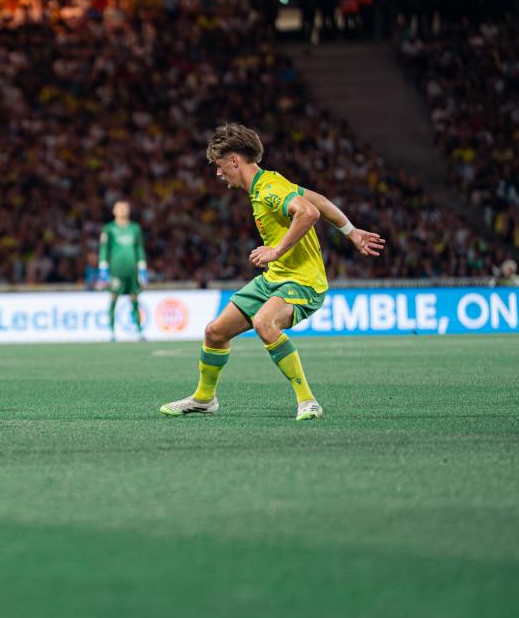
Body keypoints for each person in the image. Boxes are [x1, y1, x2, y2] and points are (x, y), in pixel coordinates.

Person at [159, 123, 384, 421]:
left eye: (219, 165)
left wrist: (276, 251)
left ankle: (308, 401)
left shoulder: (268, 191)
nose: (217, 172)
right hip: (275, 279)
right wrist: (350, 231)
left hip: (303, 281)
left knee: (265, 322)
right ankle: (204, 399)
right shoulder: (272, 182)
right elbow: (319, 201)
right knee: (215, 332)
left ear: (234, 161)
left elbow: (310, 213)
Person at [97, 200, 148, 341]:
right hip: (116, 271)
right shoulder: (109, 229)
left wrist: (143, 269)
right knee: (113, 298)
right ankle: (111, 333)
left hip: (132, 271)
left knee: (135, 299)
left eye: (125, 207)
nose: (122, 210)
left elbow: (139, 248)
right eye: (119, 208)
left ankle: (139, 332)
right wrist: (103, 268)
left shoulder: (135, 228)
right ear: (114, 211)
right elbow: (104, 249)